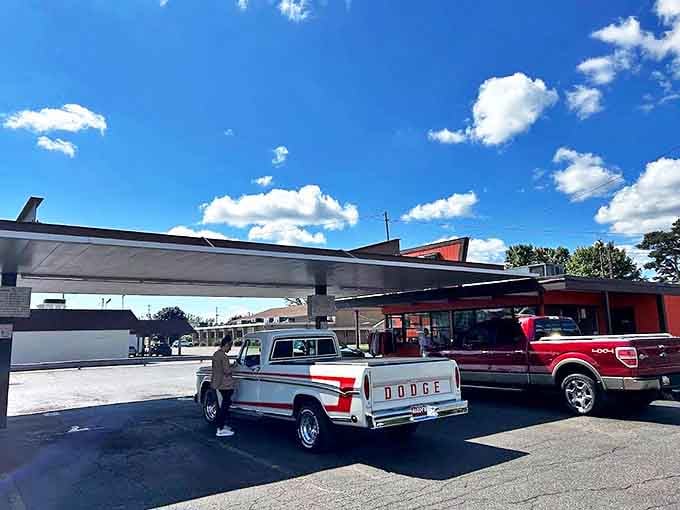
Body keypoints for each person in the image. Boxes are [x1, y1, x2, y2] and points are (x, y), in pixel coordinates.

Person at [212, 335, 235, 437]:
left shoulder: (216, 354)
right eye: (230, 346)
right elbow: (227, 371)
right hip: (225, 385)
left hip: (217, 384)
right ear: (226, 344)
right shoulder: (224, 356)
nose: (230, 349)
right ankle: (220, 429)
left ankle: (221, 426)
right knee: (224, 407)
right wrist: (233, 367)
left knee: (221, 406)